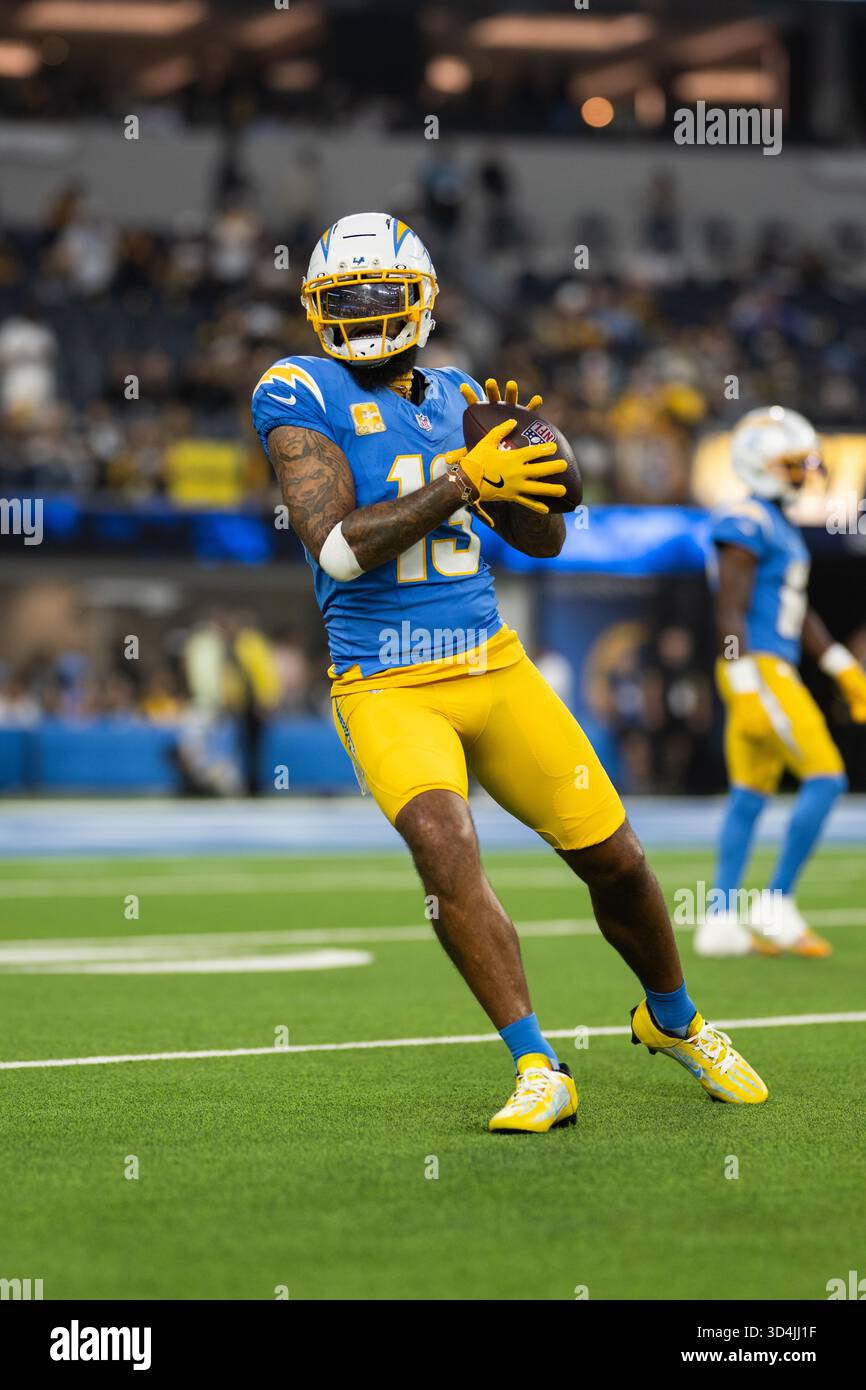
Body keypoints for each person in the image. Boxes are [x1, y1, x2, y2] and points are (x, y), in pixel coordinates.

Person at [252, 211, 768, 1131]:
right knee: (445, 846)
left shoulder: (456, 394)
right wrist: (460, 477)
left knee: (618, 861)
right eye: (347, 298)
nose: (367, 311)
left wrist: (522, 465)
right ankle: (538, 1064)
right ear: (316, 310)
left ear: (423, 300)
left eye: (381, 294)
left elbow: (547, 535)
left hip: (492, 665)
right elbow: (334, 548)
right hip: (385, 682)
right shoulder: (297, 389)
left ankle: (674, 1019)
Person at [696, 406, 866, 958]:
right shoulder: (745, 517)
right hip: (759, 668)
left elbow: (795, 609)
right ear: (760, 462)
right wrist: (744, 682)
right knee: (826, 776)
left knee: (750, 795)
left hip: (769, 665)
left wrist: (840, 664)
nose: (802, 473)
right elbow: (729, 609)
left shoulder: (775, 521)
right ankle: (775, 902)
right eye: (792, 463)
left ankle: (720, 920)